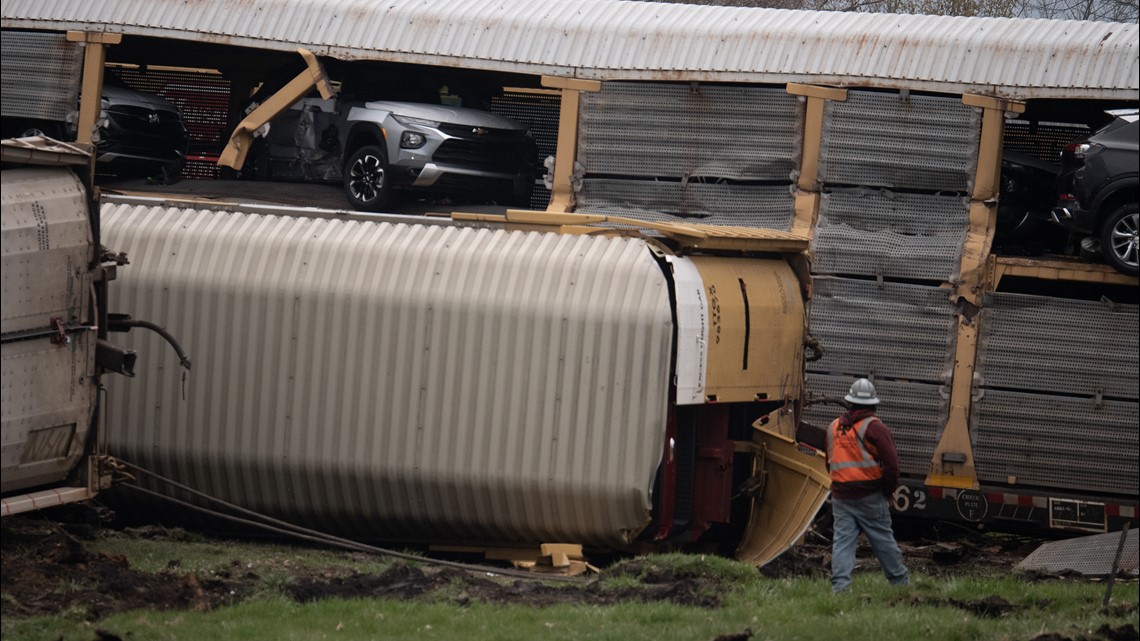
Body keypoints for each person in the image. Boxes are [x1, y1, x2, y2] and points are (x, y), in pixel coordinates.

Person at [825, 378, 910, 593]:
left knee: (843, 542)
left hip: (841, 496)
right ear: (873, 404)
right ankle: (900, 584)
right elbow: (892, 466)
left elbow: (830, 461)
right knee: (883, 540)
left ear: (850, 402)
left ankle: (841, 588)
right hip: (870, 495)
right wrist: (888, 490)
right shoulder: (875, 427)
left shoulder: (833, 427)